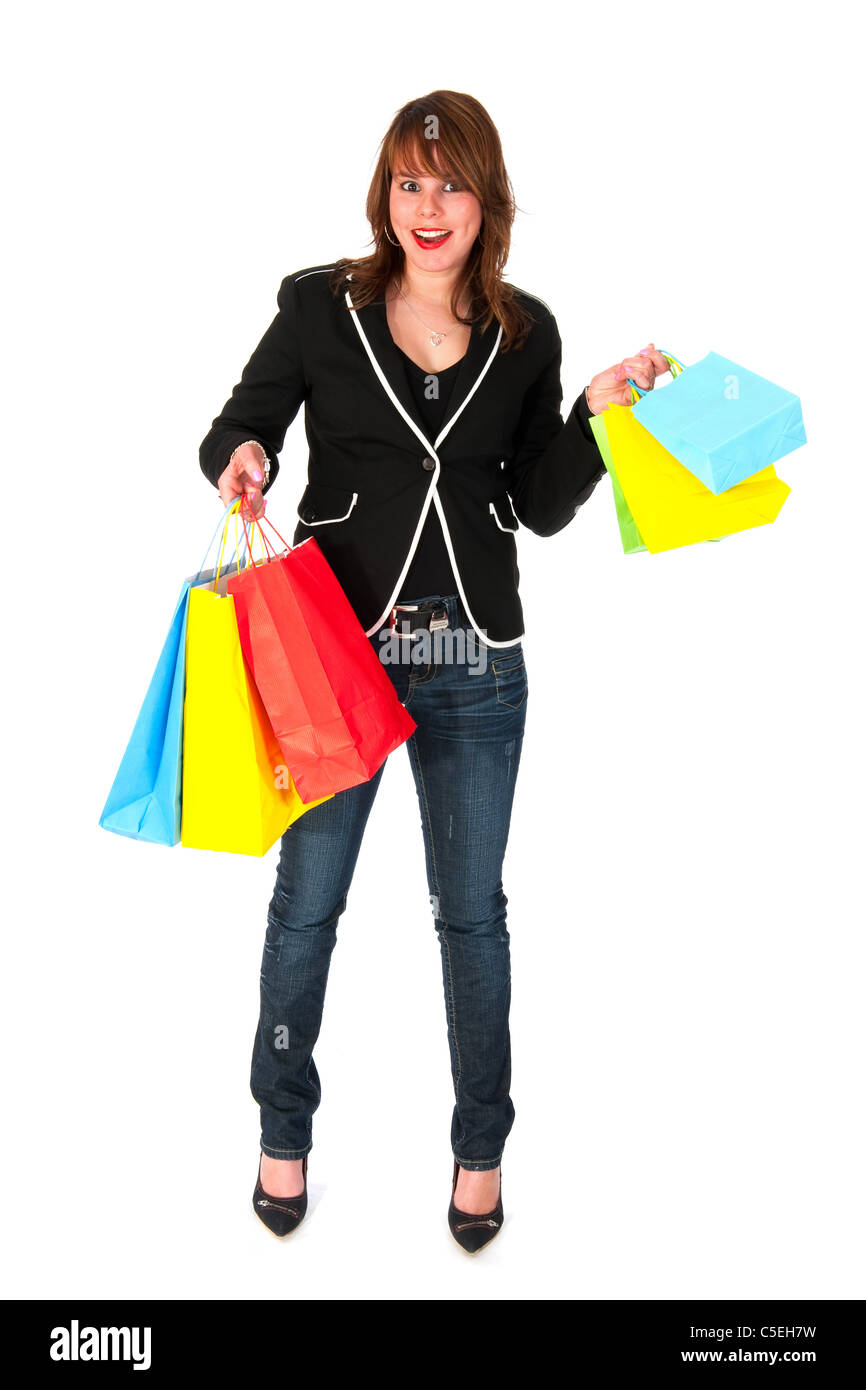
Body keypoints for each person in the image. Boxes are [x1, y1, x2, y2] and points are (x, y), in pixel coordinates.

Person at [199, 89, 670, 1252]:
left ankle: (478, 1150)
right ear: (385, 195)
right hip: (335, 664)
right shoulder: (320, 307)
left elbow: (534, 505)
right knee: (307, 905)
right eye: (410, 183)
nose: (428, 206)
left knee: (471, 917)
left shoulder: (525, 330)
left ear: (484, 199)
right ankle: (281, 1127)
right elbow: (239, 423)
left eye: (450, 182)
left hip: (472, 667)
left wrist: (594, 418)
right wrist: (246, 454)